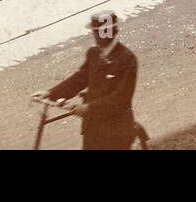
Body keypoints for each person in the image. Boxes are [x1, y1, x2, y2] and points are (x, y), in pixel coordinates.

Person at [41, 12, 139, 150]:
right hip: (93, 128)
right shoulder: (93, 53)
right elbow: (79, 79)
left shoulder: (127, 58)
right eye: (95, 32)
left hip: (116, 130)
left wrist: (89, 108)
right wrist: (50, 93)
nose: (96, 36)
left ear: (111, 31)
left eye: (99, 32)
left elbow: (121, 97)